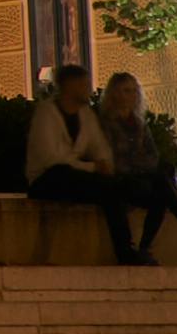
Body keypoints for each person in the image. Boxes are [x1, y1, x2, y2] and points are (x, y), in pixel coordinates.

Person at [25, 64, 145, 262]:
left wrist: (104, 164)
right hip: (46, 179)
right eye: (83, 84)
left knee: (113, 188)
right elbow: (51, 158)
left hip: (73, 175)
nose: (88, 88)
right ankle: (125, 252)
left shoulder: (85, 115)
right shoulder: (46, 113)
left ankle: (128, 249)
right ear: (69, 86)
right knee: (64, 172)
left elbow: (100, 148)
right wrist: (92, 167)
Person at [101, 67, 177, 256]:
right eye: (126, 90)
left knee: (160, 194)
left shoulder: (139, 124)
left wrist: (140, 165)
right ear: (115, 94)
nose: (131, 95)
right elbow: (112, 156)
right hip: (122, 180)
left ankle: (145, 248)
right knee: (161, 184)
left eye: (134, 90)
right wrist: (138, 165)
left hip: (143, 178)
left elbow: (152, 155)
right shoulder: (106, 124)